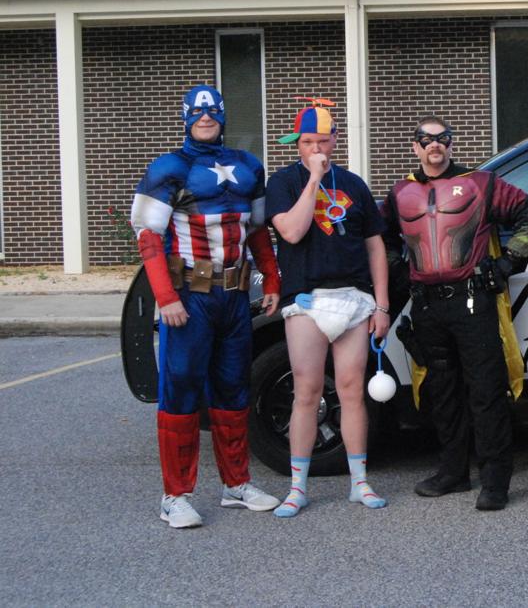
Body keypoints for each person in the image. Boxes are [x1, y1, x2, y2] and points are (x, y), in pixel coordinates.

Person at [131, 84, 282, 529]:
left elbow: (256, 231)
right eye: (197, 112)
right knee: (180, 391)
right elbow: (149, 238)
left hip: (233, 297)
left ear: (222, 114)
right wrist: (165, 298)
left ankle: (236, 485)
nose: (205, 117)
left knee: (234, 389)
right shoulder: (169, 168)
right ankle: (174, 495)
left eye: (212, 110)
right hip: (189, 299)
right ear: (185, 117)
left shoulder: (247, 166)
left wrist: (271, 278)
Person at [381, 116, 528, 511]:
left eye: (442, 139)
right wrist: (400, 272)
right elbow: (381, 237)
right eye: (426, 140)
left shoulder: (479, 184)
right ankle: (453, 472)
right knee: (442, 392)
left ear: (450, 145)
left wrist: (507, 263)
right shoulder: (400, 192)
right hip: (426, 305)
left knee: (486, 392)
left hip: (473, 300)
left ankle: (495, 482)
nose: (434, 145)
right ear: (415, 147)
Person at [264, 101, 391, 518]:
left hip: (354, 299)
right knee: (307, 391)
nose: (315, 147)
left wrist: (382, 305)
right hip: (306, 300)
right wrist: (314, 179)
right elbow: (292, 230)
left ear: (335, 140)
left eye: (322, 140)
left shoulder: (354, 184)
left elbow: (375, 245)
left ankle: (360, 482)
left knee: (353, 391)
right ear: (296, 144)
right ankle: (297, 487)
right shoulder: (282, 182)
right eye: (307, 142)